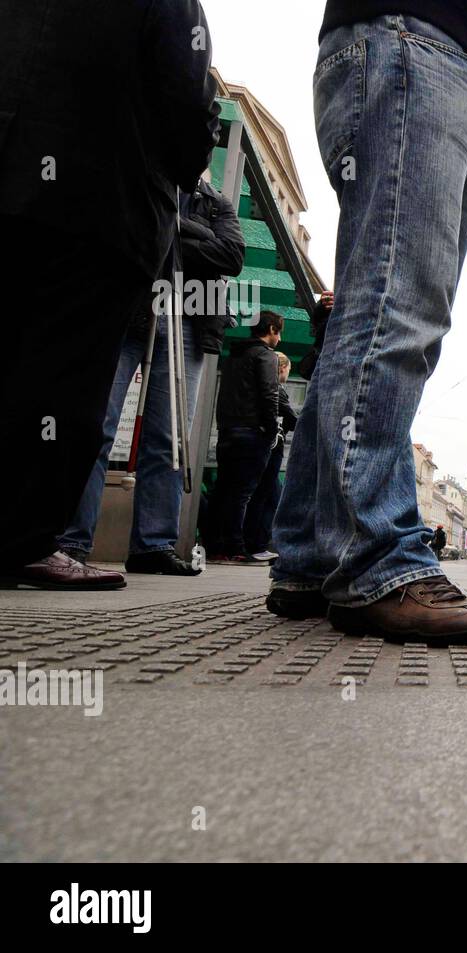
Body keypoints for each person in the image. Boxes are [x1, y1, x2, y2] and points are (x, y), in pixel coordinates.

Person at [267, 1, 467, 644]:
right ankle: (378, 563)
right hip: (420, 44)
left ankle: (311, 559)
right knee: (398, 306)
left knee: (369, 310)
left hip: (433, 56)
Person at [0, 0, 219, 590]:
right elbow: (186, 99)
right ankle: (22, 538)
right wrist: (185, 158)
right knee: (63, 380)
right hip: (96, 201)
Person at [59, 176, 245, 576]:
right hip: (125, 315)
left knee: (170, 437)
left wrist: (174, 226)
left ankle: (153, 544)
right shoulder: (138, 177)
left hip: (187, 321)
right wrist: (188, 235)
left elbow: (231, 254)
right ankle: (72, 541)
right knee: (96, 426)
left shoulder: (215, 202)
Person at [206, 311, 283, 564]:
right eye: (278, 332)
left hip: (228, 430)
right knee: (243, 493)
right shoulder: (265, 356)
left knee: (223, 490)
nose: (279, 339)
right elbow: (269, 394)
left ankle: (214, 545)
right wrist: (272, 430)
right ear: (270, 328)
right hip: (252, 432)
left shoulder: (233, 355)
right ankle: (236, 547)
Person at [245, 353, 298, 561]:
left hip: (264, 445)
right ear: (282, 368)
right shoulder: (276, 389)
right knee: (265, 497)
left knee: (270, 496)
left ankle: (257, 542)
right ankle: (256, 544)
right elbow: (291, 418)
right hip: (271, 448)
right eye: (288, 369)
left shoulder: (259, 387)